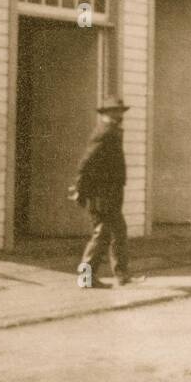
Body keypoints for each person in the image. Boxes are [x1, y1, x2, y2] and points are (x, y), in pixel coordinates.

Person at [74, 96, 131, 289]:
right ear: (107, 113)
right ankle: (86, 277)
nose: (120, 114)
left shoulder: (112, 131)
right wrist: (79, 188)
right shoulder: (105, 132)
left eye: (121, 111)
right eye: (116, 111)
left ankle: (122, 275)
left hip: (110, 193)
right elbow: (86, 162)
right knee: (102, 234)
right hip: (102, 194)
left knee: (119, 231)